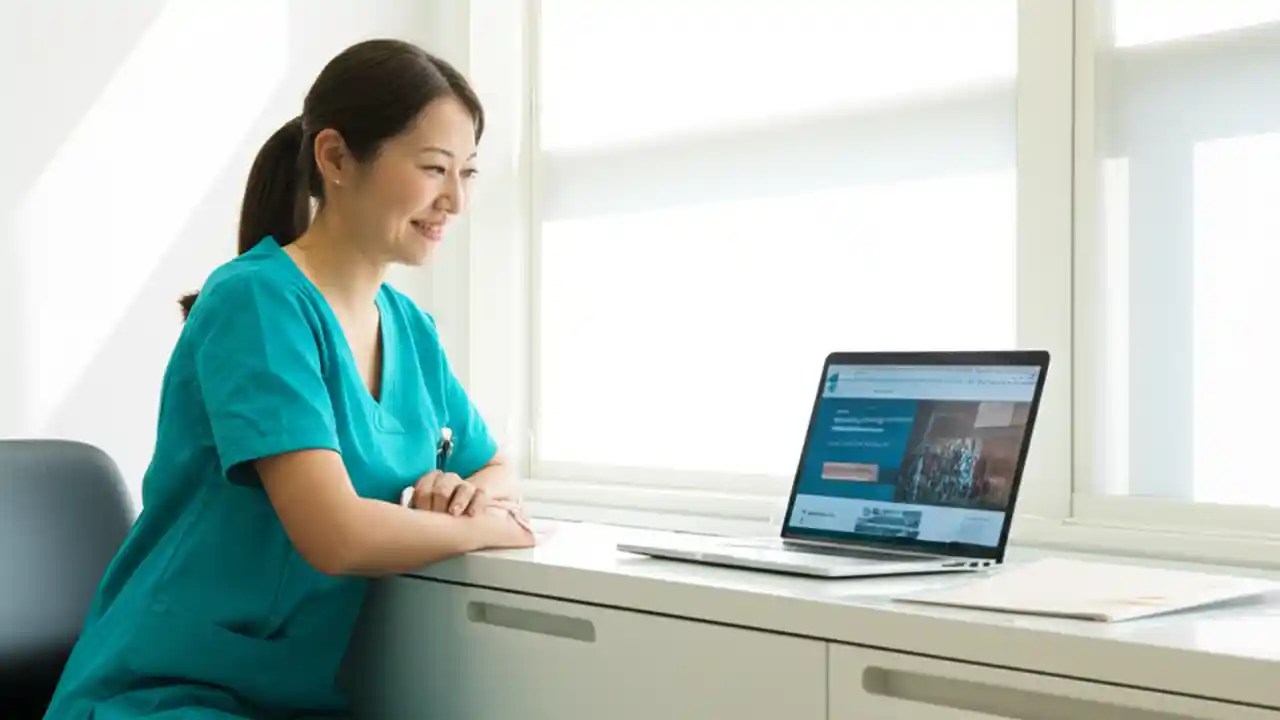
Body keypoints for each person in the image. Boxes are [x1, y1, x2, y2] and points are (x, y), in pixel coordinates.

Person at [43, 39, 535, 719]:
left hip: (290, 699)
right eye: (432, 168)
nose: (454, 199)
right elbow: (335, 534)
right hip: (165, 692)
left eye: (469, 173)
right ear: (335, 158)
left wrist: (461, 494)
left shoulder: (411, 330)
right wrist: (488, 529)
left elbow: (497, 467)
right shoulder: (258, 302)